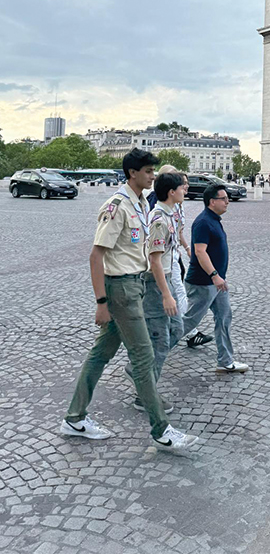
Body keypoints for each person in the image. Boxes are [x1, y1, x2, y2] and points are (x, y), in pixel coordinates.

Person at [58, 148, 199, 452]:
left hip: (134, 286)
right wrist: (101, 302)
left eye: (154, 171)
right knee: (144, 357)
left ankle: (74, 417)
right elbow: (96, 256)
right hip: (120, 290)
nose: (153, 176)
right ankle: (162, 430)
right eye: (149, 171)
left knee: (100, 355)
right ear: (133, 173)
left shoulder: (139, 204)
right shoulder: (117, 206)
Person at [180, 184, 250, 374]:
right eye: (224, 198)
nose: (228, 201)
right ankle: (156, 352)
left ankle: (225, 361)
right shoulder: (203, 222)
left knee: (224, 317)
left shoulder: (214, 220)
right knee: (190, 322)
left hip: (216, 283)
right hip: (204, 282)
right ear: (212, 202)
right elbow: (199, 252)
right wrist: (214, 275)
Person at [135, 171, 188, 413]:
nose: (185, 190)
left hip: (165, 280)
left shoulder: (170, 214)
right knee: (160, 342)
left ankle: (140, 370)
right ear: (171, 192)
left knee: (177, 329)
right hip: (156, 285)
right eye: (182, 187)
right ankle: (145, 394)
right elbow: (154, 261)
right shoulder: (159, 219)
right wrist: (166, 294)